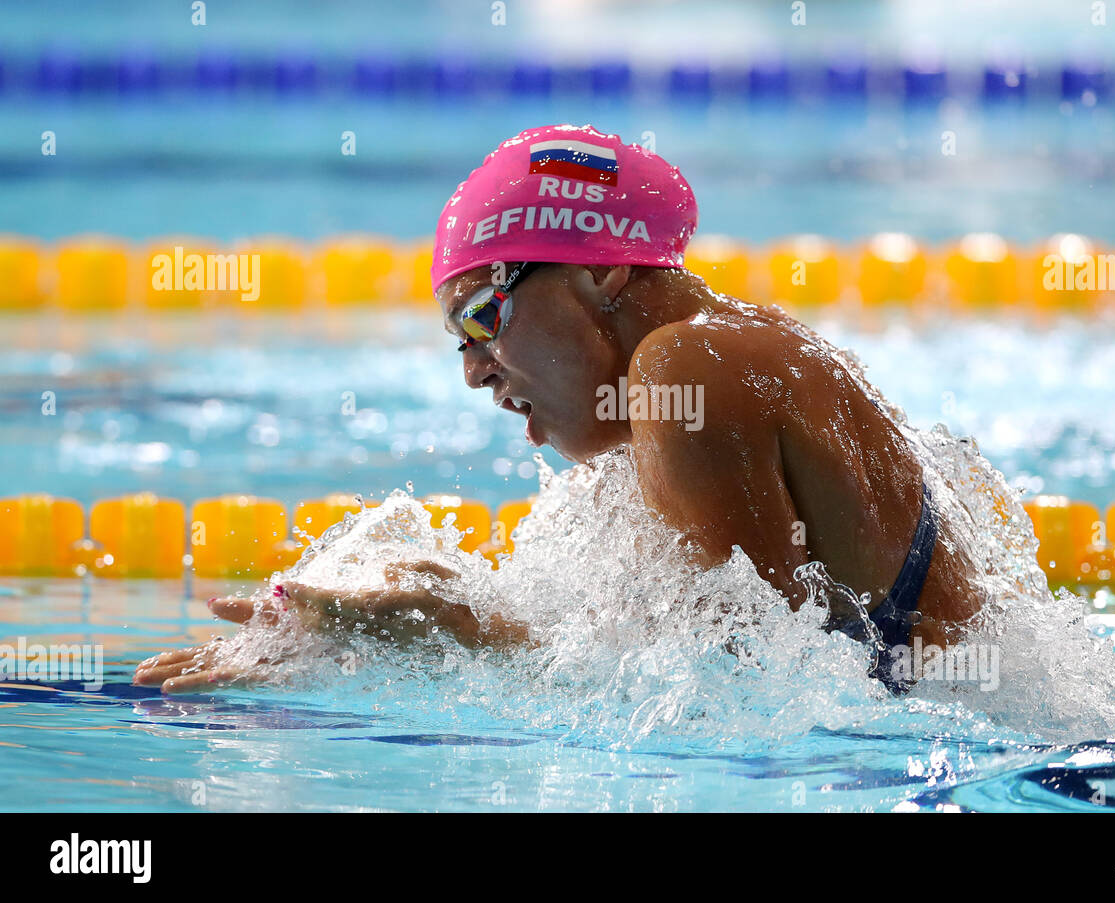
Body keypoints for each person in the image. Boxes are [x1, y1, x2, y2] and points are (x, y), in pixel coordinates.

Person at [135, 124, 982, 695]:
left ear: (602, 271)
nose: (473, 372)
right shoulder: (734, 363)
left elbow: (740, 689)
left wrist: (451, 628)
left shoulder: (686, 368)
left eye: (481, 318)